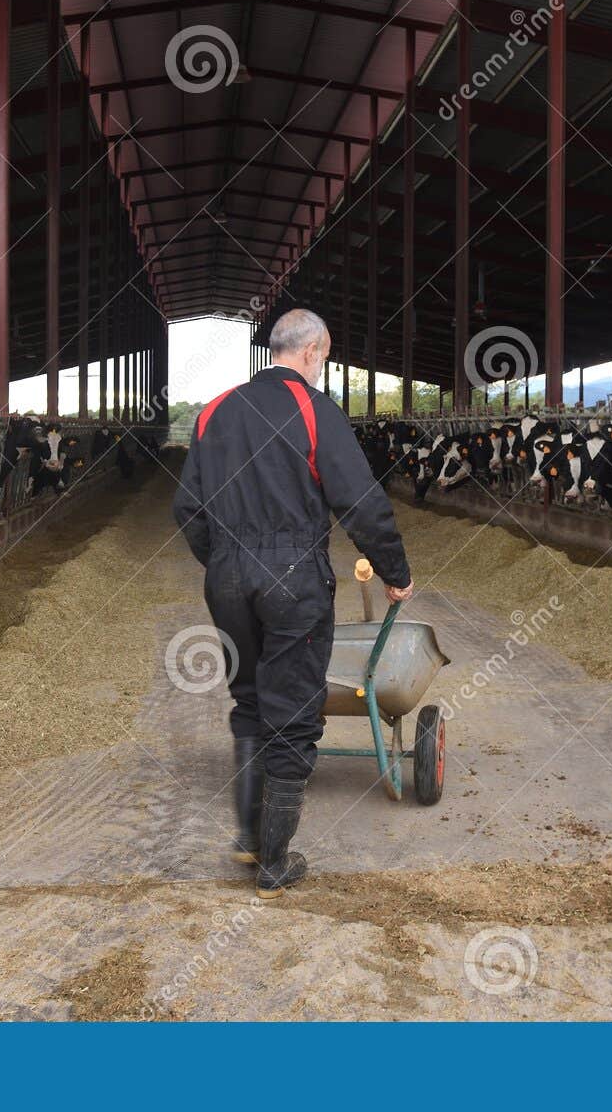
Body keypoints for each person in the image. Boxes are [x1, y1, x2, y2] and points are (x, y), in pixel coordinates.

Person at [173, 308, 413, 899]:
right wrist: (394, 572)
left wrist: (226, 565)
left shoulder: (213, 412)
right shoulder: (313, 410)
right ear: (312, 351)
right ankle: (275, 860)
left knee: (249, 701)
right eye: (325, 358)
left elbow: (186, 508)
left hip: (228, 577)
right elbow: (360, 501)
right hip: (292, 577)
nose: (323, 367)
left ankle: (252, 837)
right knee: (292, 710)